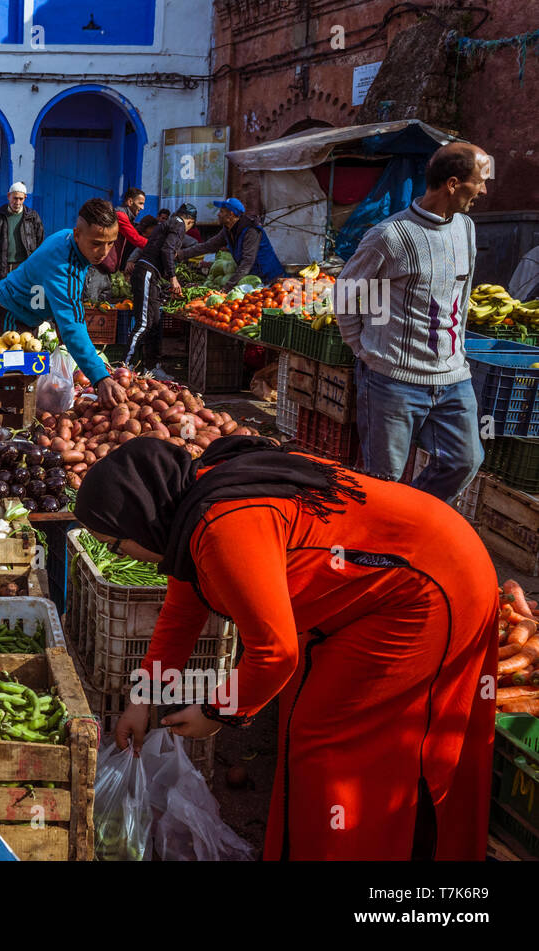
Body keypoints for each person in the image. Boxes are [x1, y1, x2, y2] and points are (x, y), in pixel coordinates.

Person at [75, 435, 495, 861]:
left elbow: (273, 653)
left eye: (115, 543)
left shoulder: (223, 524)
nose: (120, 552)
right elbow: (183, 612)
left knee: (339, 747)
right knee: (304, 729)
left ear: (139, 516)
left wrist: (218, 714)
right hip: (376, 589)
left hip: (427, 587)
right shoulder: (191, 506)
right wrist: (143, 698)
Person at [337, 141, 490, 502]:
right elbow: (349, 291)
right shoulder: (390, 236)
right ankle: (376, 551)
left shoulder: (466, 228)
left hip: (453, 379)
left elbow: (461, 297)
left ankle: (412, 517)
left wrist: (457, 351)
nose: (484, 190)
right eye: (480, 181)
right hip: (392, 381)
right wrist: (363, 346)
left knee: (465, 461)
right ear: (453, 183)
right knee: (383, 480)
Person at [0, 198, 126, 407]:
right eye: (96, 243)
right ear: (78, 234)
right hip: (6, 319)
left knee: (21, 389)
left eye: (111, 243)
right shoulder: (64, 266)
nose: (104, 251)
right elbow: (73, 327)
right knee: (9, 391)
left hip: (24, 318)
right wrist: (100, 377)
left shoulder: (67, 239)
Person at [124, 202, 197, 378]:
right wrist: (173, 277)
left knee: (155, 323)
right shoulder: (179, 223)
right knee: (143, 323)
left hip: (152, 276)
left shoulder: (168, 224)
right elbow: (167, 250)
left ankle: (152, 367)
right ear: (190, 221)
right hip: (146, 273)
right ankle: (125, 366)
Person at [177, 196, 284, 287]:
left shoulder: (251, 230)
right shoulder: (227, 230)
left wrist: (229, 285)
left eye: (221, 211)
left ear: (231, 214)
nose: (218, 214)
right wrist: (181, 254)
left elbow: (247, 261)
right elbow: (207, 246)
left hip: (268, 277)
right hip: (253, 278)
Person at [0, 182, 44, 287]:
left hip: (25, 267)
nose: (17, 202)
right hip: (3, 268)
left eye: (21, 199)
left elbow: (40, 245)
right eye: (15, 198)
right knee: (3, 300)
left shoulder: (32, 217)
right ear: (9, 196)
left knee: (22, 299)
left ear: (25, 198)